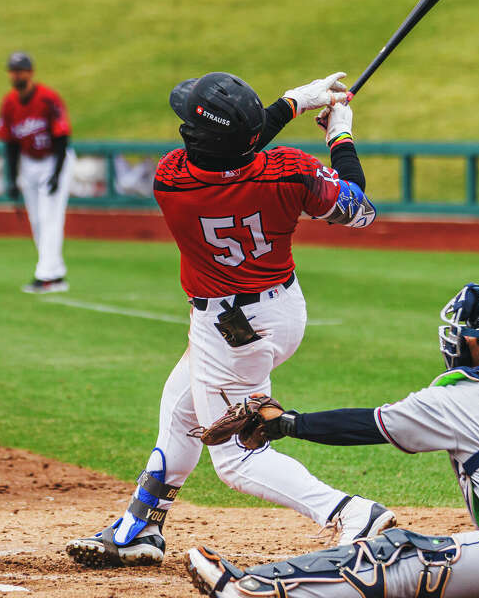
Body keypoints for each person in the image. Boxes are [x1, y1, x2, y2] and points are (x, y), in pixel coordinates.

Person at [65, 71, 390, 568]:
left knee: (236, 459)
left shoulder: (171, 179)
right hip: (279, 311)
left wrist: (291, 103)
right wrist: (338, 132)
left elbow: (231, 152)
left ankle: (350, 513)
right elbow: (357, 205)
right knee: (180, 411)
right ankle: (139, 527)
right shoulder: (291, 171)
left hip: (230, 330)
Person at [186, 283, 479, 598]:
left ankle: (251, 589)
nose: (454, 340)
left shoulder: (458, 399)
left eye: (464, 335)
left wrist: (287, 423)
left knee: (397, 555)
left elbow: (367, 425)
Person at [0, 51, 75, 294]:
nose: (16, 75)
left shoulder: (48, 98)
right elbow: (10, 144)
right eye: (13, 71)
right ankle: (55, 273)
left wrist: (57, 174)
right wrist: (11, 179)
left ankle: (46, 275)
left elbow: (62, 138)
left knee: (51, 217)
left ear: (30, 72)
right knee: (37, 220)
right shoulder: (9, 103)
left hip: (54, 159)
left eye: (20, 70)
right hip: (29, 162)